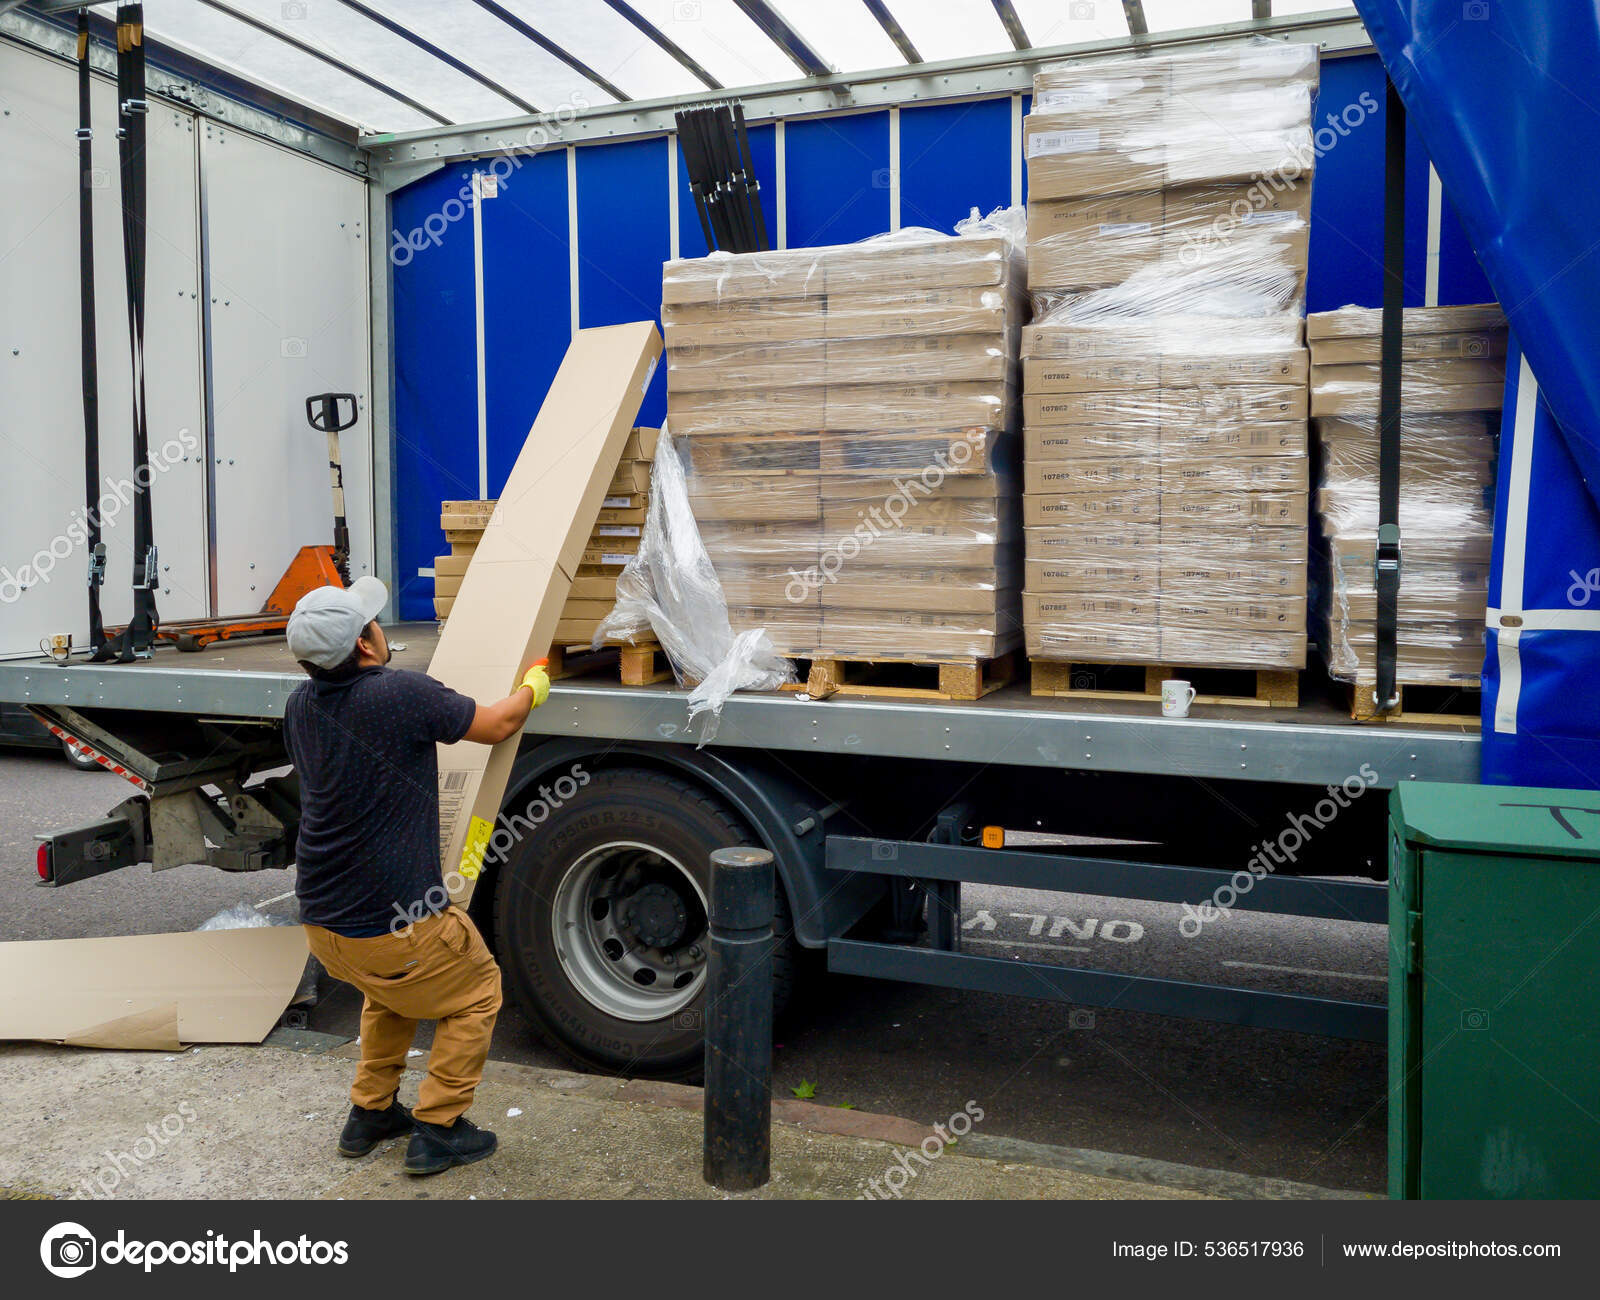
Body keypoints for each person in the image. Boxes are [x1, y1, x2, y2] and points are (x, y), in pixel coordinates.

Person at [281, 577, 550, 1176]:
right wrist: (533, 687)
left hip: (324, 925)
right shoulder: (397, 694)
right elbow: (498, 724)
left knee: (389, 991)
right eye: (372, 623)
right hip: (397, 924)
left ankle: (371, 1112)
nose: (380, 627)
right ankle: (439, 1127)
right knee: (477, 992)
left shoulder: (301, 706)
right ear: (367, 647)